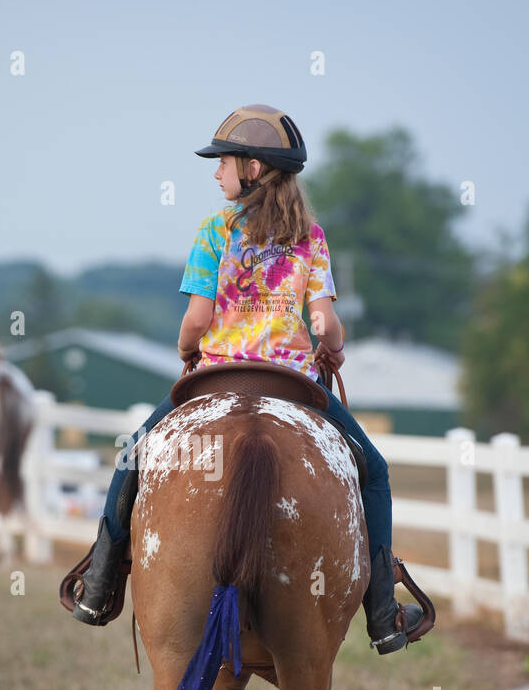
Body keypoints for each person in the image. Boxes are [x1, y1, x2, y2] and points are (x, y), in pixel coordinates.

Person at [69, 104, 427, 654]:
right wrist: (332, 347)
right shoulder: (311, 236)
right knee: (373, 472)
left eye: (223, 163)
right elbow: (327, 323)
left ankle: (98, 585)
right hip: (294, 386)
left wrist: (186, 347)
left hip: (217, 378)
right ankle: (382, 611)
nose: (216, 174)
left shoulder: (215, 231)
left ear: (253, 169)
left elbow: (195, 320)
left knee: (132, 456)